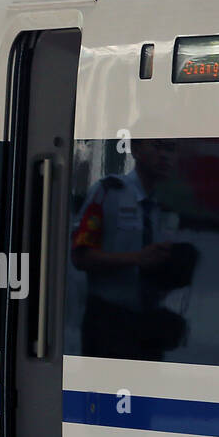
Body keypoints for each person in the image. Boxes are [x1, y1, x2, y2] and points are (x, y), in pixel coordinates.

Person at [70, 137, 195, 360]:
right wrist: (136, 259)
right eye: (158, 146)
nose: (165, 156)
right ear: (136, 149)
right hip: (108, 320)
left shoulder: (165, 206)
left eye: (171, 149)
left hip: (148, 324)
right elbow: (80, 257)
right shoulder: (108, 192)